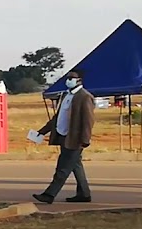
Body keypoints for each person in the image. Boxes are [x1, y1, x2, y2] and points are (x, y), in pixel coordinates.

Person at [32, 70, 95, 204]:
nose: (69, 80)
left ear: (79, 80)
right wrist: (43, 131)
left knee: (63, 168)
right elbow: (57, 118)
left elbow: (88, 120)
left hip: (75, 139)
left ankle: (49, 194)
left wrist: (85, 139)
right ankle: (84, 194)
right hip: (63, 136)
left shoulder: (84, 97)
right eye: (68, 77)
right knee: (76, 165)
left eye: (72, 78)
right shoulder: (66, 95)